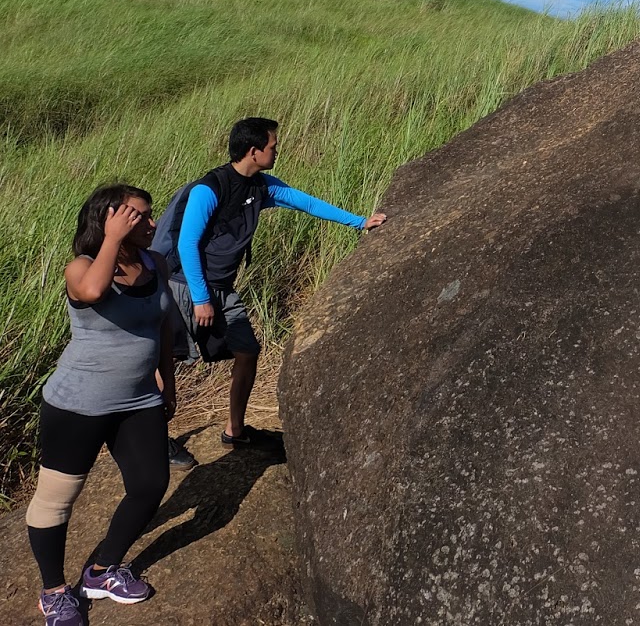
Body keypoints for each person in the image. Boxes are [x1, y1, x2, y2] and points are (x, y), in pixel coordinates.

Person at [159, 117, 386, 451]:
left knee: (247, 351)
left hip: (221, 288)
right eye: (273, 146)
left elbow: (305, 202)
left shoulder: (261, 186)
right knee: (168, 359)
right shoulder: (210, 189)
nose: (276, 151)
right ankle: (154, 438)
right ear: (254, 151)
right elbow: (187, 244)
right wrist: (200, 297)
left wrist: (359, 222)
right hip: (185, 285)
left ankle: (234, 431)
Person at [27, 185, 176, 625]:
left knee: (150, 484)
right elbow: (92, 292)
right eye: (141, 218)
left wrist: (167, 380)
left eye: (150, 217)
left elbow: (164, 324)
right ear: (112, 221)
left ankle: (101, 569)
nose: (152, 224)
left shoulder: (155, 262)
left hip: (138, 400)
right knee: (56, 501)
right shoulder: (82, 268)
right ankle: (54, 592)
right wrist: (111, 240)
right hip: (78, 404)